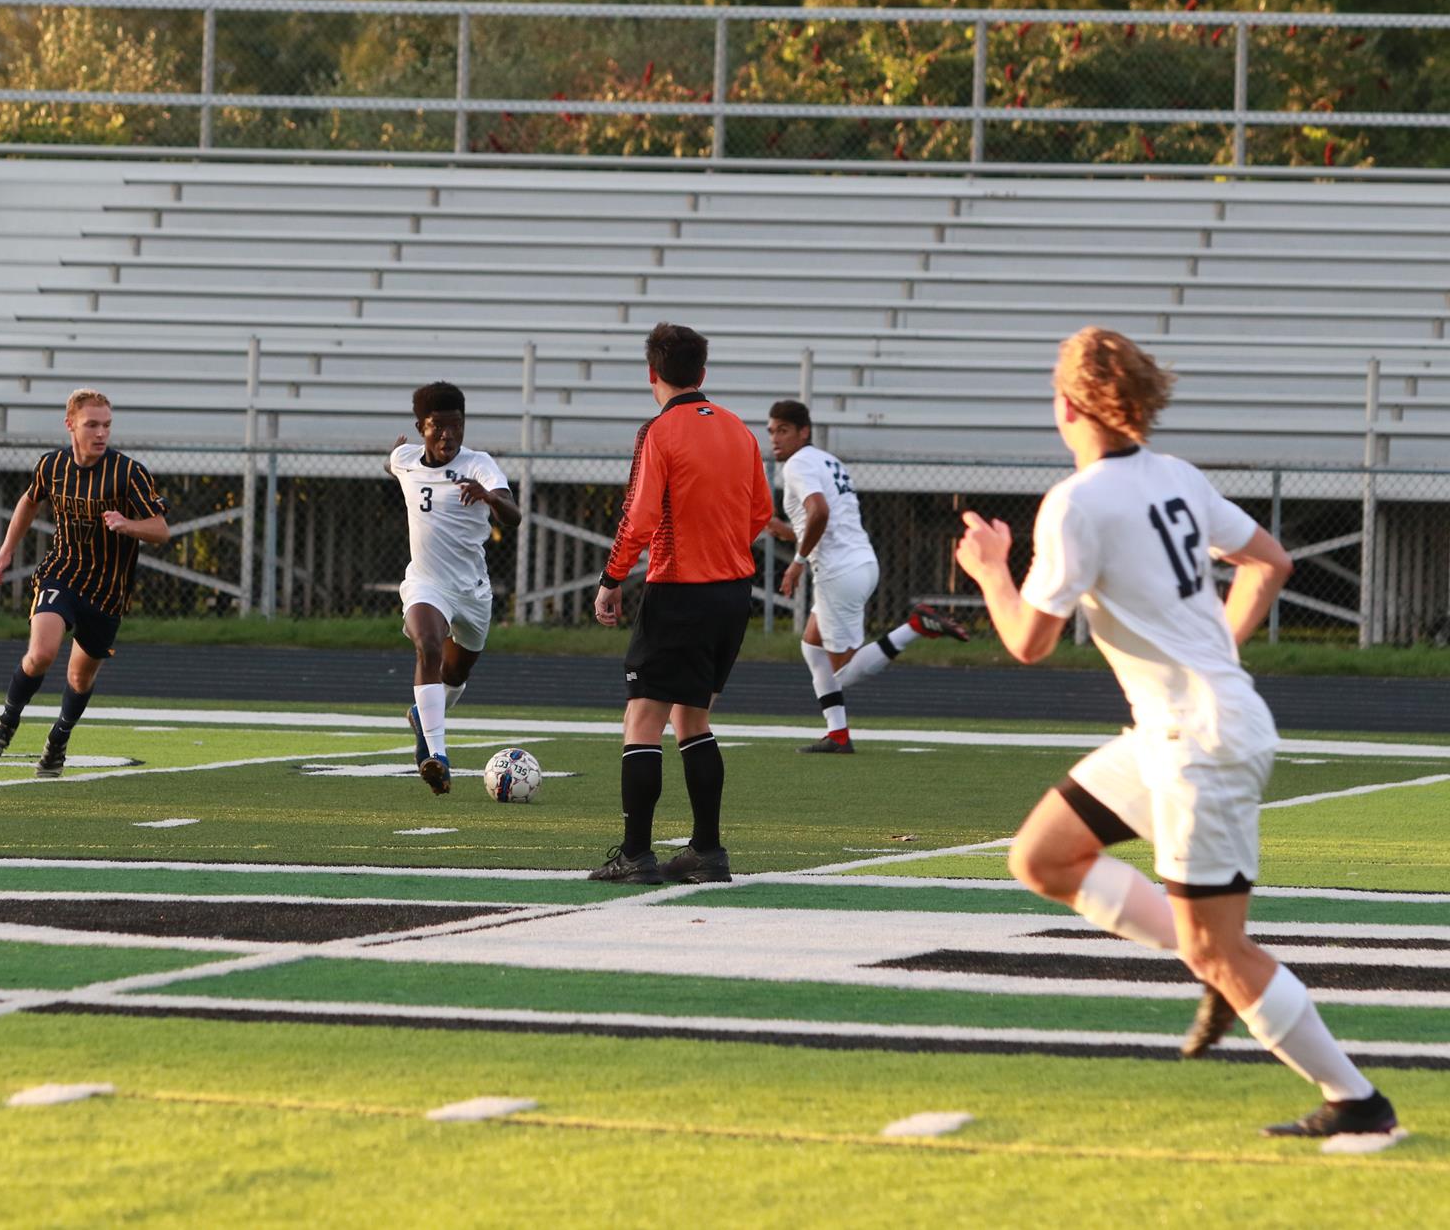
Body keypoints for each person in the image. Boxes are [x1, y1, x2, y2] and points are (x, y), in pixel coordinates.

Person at [955, 326, 1396, 1140]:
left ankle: (1357, 1101)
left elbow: (1028, 642)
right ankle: (1213, 964)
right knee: (1044, 856)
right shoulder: (1176, 475)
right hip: (1177, 727)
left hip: (1197, 741)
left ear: (1069, 405)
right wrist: (1213, 657)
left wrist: (989, 569)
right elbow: (1270, 561)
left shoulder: (1076, 502)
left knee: (1220, 948)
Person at [589, 323, 772, 885]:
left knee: (642, 717)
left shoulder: (659, 431)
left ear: (652, 374)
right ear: (703, 372)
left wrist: (611, 578)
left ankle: (635, 854)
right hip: (732, 593)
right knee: (692, 718)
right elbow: (761, 512)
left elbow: (640, 517)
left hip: (679, 589)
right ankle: (706, 851)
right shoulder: (739, 430)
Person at [0, 389, 169, 777]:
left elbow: (161, 530)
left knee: (80, 677)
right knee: (41, 653)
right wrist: (6, 551)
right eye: (92, 425)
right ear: (70, 424)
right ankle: (7, 722)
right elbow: (30, 500)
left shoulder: (128, 472)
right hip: (62, 573)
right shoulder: (52, 466)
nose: (101, 433)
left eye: (107, 425)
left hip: (108, 591)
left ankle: (58, 740)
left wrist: (128, 525)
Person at [765, 399, 970, 754]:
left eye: (783, 430)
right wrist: (783, 531)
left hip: (838, 573)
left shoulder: (797, 464)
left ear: (804, 431)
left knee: (845, 672)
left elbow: (819, 513)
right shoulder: (828, 460)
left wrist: (797, 562)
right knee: (812, 646)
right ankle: (838, 734)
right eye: (771, 431)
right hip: (858, 563)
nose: (775, 438)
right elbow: (823, 523)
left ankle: (916, 626)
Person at [388, 382, 520, 794]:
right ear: (421, 428)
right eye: (438, 427)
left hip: (472, 591)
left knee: (455, 673)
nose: (448, 435)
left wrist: (490, 498)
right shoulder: (405, 460)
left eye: (456, 426)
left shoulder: (479, 465)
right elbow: (396, 464)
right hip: (427, 584)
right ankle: (438, 757)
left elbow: (513, 516)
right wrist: (392, 458)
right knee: (428, 646)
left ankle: (421, 715)